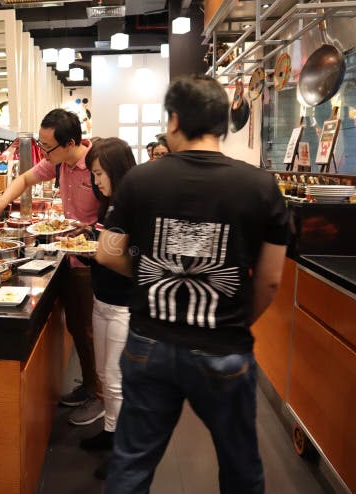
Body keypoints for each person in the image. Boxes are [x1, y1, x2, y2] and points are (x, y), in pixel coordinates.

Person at [96, 75, 289, 494]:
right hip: (224, 348)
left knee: (130, 466)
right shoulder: (260, 185)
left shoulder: (141, 180)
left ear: (175, 120)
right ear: (222, 123)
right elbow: (271, 281)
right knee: (241, 468)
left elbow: (108, 253)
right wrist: (234, 315)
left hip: (149, 344)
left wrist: (152, 275)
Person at [0, 108, 103, 426]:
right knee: (79, 328)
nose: (45, 155)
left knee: (91, 332)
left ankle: (100, 397)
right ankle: (91, 386)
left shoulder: (96, 164)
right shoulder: (59, 162)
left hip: (93, 261)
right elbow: (24, 178)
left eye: (48, 148)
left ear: (71, 142)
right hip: (70, 256)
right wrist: (0, 200)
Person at [78, 138, 137, 480]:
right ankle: (110, 432)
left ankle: (123, 451)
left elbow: (130, 258)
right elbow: (105, 243)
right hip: (102, 299)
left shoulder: (131, 205)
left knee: (116, 381)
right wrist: (90, 238)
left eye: (99, 174)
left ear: (116, 169)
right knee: (103, 375)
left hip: (123, 306)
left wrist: (97, 252)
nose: (96, 181)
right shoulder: (109, 204)